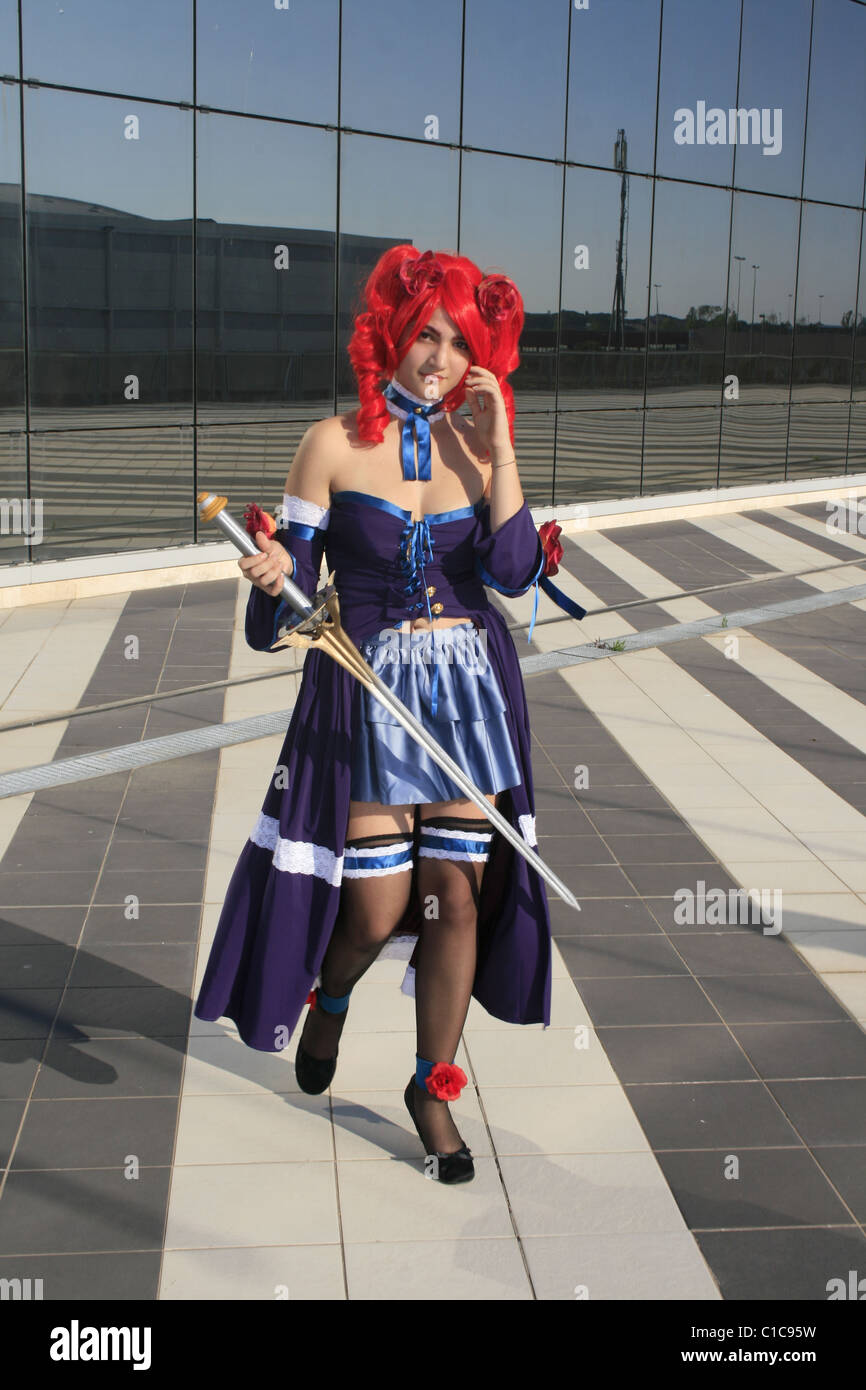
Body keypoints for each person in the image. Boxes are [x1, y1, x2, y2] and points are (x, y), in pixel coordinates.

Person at [194, 244, 583, 1184]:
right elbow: (272, 617)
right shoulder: (329, 444)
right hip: (363, 695)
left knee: (457, 897)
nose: (439, 357)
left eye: (457, 340)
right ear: (391, 337)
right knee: (373, 908)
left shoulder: (476, 446)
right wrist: (274, 576)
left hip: (466, 698)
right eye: (424, 335)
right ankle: (330, 999)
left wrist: (502, 450)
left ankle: (431, 1088)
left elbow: (516, 572)